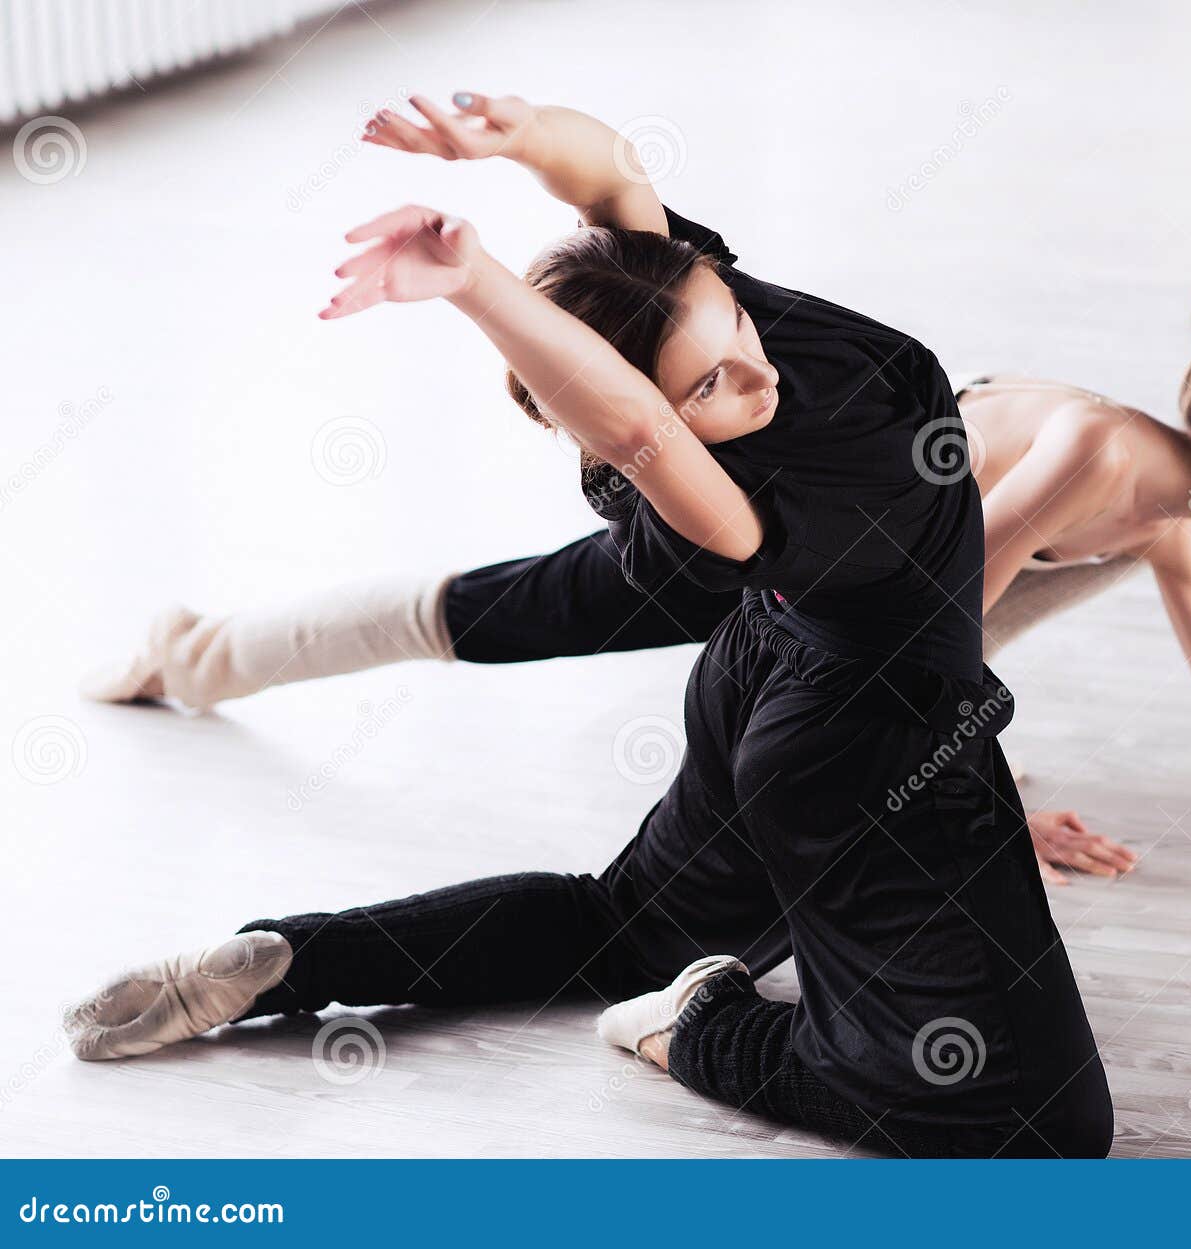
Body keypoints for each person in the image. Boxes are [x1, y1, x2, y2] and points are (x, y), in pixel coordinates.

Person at [80, 98, 1191, 858]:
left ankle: (200, 649)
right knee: (502, 614)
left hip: (832, 538)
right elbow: (918, 654)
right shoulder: (1106, 457)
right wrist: (967, 806)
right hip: (775, 503)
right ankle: (194, 652)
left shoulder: (1176, 514)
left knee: (520, 610)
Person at [65, 98, 1113, 1160]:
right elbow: (637, 428)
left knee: (616, 927)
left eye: (739, 324)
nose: (762, 369)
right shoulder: (719, 501)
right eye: (713, 385)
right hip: (862, 742)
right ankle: (701, 1027)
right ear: (660, 423)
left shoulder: (687, 323)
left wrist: (510, 138)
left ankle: (288, 959)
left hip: (772, 683)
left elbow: (614, 183)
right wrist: (479, 287)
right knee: (1033, 1128)